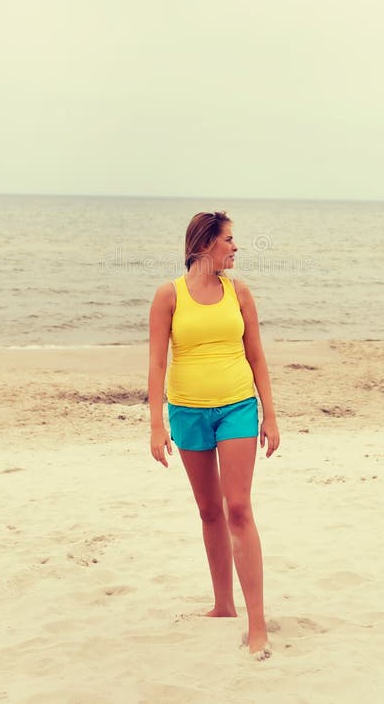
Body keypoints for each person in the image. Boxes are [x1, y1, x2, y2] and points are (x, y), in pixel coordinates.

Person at [148, 210, 280, 660]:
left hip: (238, 408)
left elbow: (257, 357)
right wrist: (155, 424)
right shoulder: (168, 296)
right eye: (228, 239)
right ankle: (223, 605)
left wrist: (270, 415)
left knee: (238, 508)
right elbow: (157, 364)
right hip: (187, 412)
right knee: (209, 512)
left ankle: (257, 623)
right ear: (205, 244)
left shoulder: (239, 293)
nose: (235, 246)